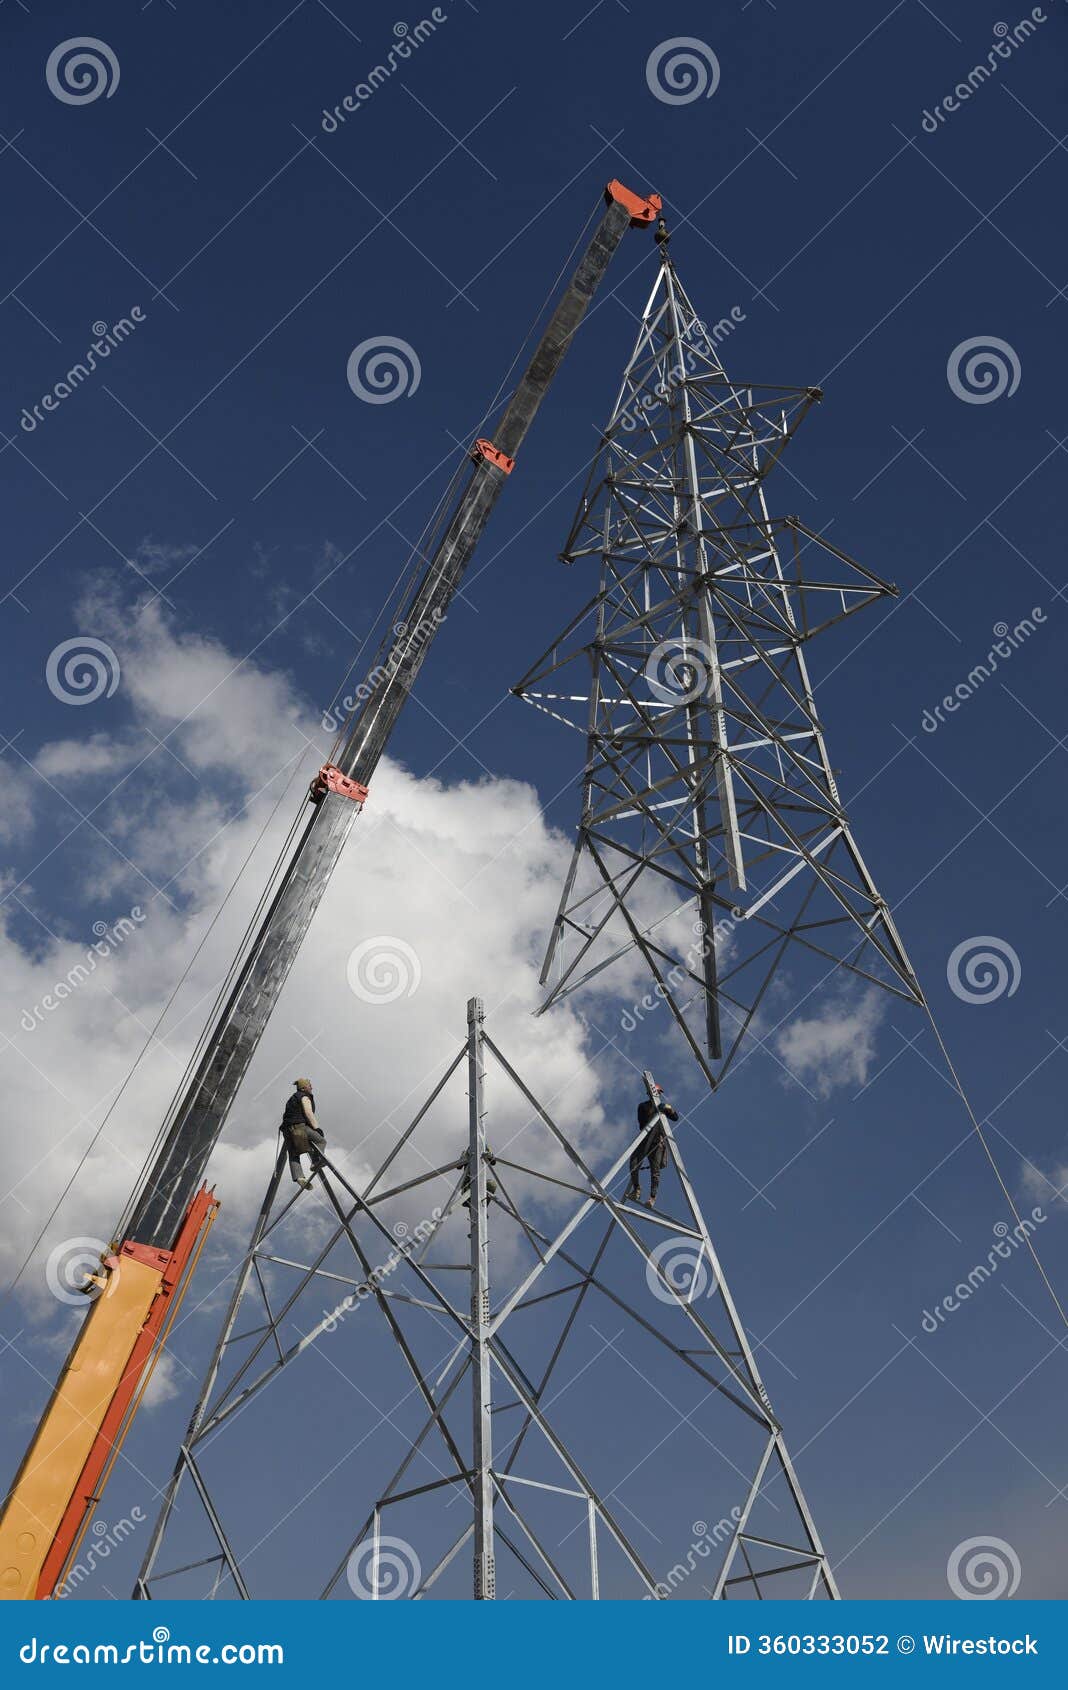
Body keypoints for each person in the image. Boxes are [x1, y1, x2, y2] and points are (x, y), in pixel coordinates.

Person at [624, 1085, 679, 1208]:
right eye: (656, 1092)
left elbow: (675, 1118)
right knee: (633, 1164)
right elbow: (642, 1124)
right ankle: (636, 1189)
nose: (657, 1094)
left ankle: (652, 1197)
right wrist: (655, 1110)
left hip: (657, 1142)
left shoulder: (663, 1107)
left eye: (659, 1092)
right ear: (650, 1093)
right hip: (645, 1139)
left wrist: (669, 1108)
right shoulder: (643, 1106)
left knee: (655, 1171)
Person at [281, 1077, 326, 1190]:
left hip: (287, 1130)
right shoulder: (304, 1097)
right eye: (309, 1085)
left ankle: (299, 1177)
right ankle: (315, 1162)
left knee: (293, 1154)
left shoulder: (292, 1099)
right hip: (299, 1128)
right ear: (303, 1088)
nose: (311, 1087)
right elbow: (308, 1113)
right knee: (321, 1140)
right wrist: (316, 1128)